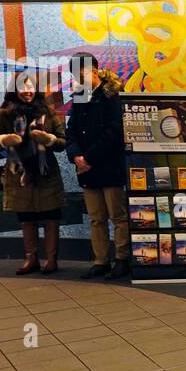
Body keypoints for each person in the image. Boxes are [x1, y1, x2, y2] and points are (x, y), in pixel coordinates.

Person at [0, 73, 67, 275]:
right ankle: (30, 259)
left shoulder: (49, 113)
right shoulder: (4, 113)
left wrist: (48, 139)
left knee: (51, 217)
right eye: (22, 87)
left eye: (30, 86)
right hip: (18, 175)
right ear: (14, 90)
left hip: (46, 173)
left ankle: (51, 260)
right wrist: (5, 139)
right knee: (26, 218)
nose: (27, 91)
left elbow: (62, 143)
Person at [64, 52, 130, 280]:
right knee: (96, 217)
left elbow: (115, 132)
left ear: (93, 70)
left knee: (117, 216)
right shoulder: (80, 97)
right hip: (86, 169)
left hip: (108, 165)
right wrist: (76, 157)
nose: (77, 77)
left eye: (79, 72)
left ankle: (122, 259)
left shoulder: (112, 94)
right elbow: (70, 131)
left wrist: (87, 158)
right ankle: (100, 260)